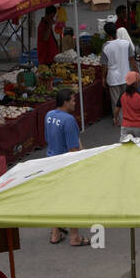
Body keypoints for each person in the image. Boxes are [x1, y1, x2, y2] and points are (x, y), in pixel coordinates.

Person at [45, 89, 86, 246]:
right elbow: (74, 150)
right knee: (71, 201)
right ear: (65, 102)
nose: (75, 103)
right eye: (73, 100)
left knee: (56, 199)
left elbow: (48, 138)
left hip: (51, 161)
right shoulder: (68, 120)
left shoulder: (48, 115)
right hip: (66, 165)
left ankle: (55, 233)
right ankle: (74, 236)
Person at [100, 22, 136, 126]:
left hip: (113, 78)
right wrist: (136, 72)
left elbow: (104, 64)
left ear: (107, 34)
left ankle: (120, 121)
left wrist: (103, 77)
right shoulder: (126, 43)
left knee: (116, 101)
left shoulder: (106, 46)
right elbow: (132, 59)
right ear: (116, 31)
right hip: (126, 76)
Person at [116, 70, 140, 142]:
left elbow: (117, 109)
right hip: (139, 127)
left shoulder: (122, 95)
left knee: (125, 148)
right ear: (136, 83)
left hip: (125, 127)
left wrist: (115, 118)